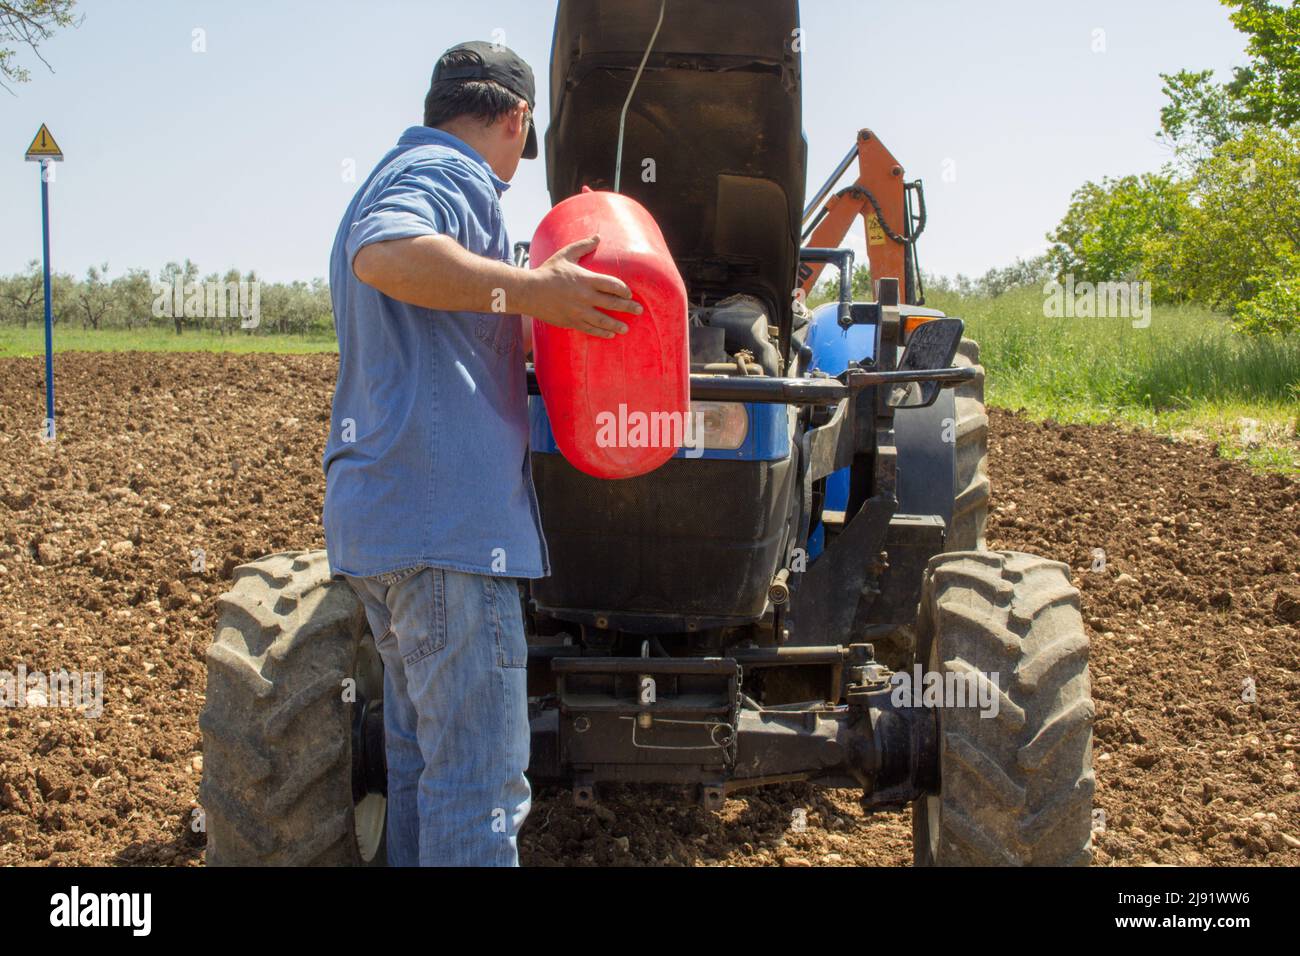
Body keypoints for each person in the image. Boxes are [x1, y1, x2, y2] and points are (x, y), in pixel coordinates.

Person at [321, 40, 641, 866]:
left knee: (426, 775)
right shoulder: (453, 177)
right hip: (450, 538)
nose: (511, 171)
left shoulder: (390, 174)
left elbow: (447, 329)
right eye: (518, 148)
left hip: (384, 532)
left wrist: (533, 305)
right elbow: (387, 251)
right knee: (479, 788)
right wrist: (533, 289)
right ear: (514, 118)